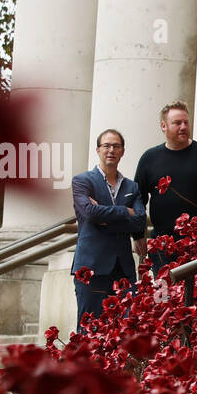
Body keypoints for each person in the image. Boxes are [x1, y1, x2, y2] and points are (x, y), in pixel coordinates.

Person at [133, 100, 197, 287]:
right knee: (166, 298)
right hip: (162, 244)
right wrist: (137, 234)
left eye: (186, 122)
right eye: (177, 123)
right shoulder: (149, 158)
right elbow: (138, 198)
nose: (183, 127)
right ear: (164, 126)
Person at [70, 129, 145, 332]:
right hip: (91, 269)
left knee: (128, 331)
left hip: (123, 270)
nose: (111, 150)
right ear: (98, 150)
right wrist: (124, 212)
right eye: (106, 146)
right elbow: (90, 213)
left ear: (122, 152)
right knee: (89, 331)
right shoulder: (82, 181)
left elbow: (139, 222)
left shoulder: (132, 187)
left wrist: (105, 216)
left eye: (116, 146)